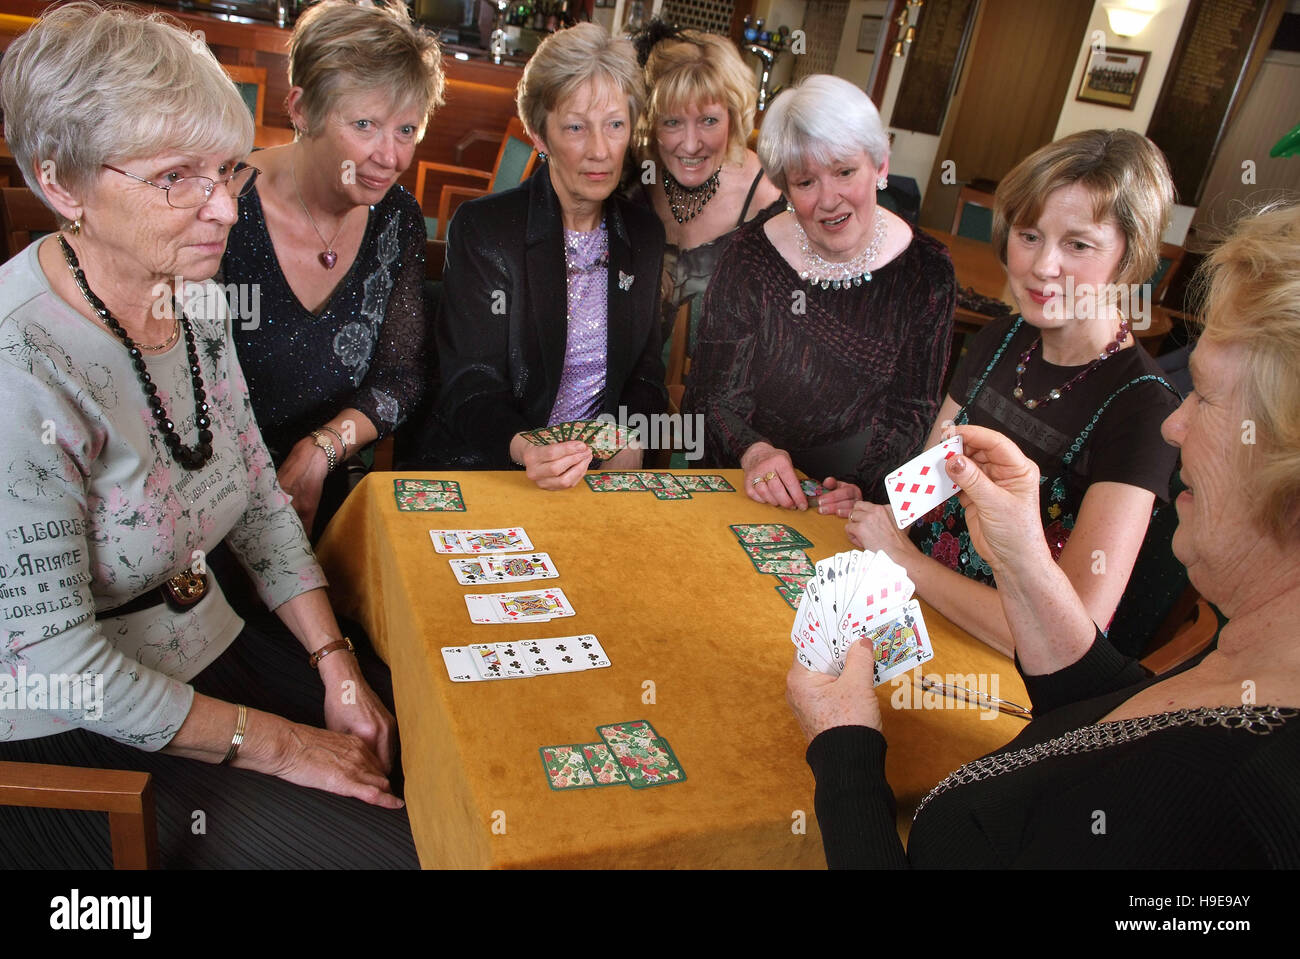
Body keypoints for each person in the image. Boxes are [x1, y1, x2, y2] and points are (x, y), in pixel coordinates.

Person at [0, 2, 417, 868]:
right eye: (176, 178)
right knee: (389, 853)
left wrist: (334, 661)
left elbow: (262, 499)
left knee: (420, 760)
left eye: (227, 172)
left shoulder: (193, 293)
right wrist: (290, 745)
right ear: (62, 183)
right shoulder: (19, 361)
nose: (225, 210)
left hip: (206, 638)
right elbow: (58, 661)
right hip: (71, 728)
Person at [786, 203, 1300, 869]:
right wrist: (1024, 556)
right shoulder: (1255, 656)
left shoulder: (1245, 809)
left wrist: (844, 745)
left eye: (1202, 396)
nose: (1175, 428)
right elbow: (1117, 714)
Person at [827, 130, 1181, 657]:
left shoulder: (1144, 408)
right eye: (1029, 235)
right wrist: (874, 505)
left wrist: (905, 560)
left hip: (1007, 677)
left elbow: (1072, 636)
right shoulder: (999, 338)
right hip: (915, 617)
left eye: (1078, 245)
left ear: (1130, 257)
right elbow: (921, 493)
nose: (1043, 267)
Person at [221, 0, 444, 537]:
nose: (389, 157)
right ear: (300, 109)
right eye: (364, 124)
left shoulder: (396, 217)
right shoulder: (222, 207)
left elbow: (401, 376)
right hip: (208, 499)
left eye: (406, 130)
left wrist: (323, 449)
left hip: (326, 496)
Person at [683, 75, 955, 507]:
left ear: (880, 166)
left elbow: (912, 412)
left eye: (844, 172)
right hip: (743, 479)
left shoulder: (928, 270)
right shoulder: (748, 257)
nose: (829, 200)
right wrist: (754, 452)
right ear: (786, 188)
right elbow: (709, 401)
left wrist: (865, 487)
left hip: (854, 498)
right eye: (806, 182)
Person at [417, 22, 667, 489]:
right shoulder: (486, 229)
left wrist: (630, 438)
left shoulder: (644, 234)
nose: (599, 151)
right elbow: (469, 382)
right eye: (575, 127)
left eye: (614, 124)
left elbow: (647, 376)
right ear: (539, 135)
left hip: (596, 483)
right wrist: (527, 448)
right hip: (492, 468)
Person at [632, 23, 783, 348]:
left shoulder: (768, 201)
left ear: (733, 118)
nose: (690, 145)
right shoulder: (634, 179)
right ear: (651, 121)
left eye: (709, 121)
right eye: (672, 122)